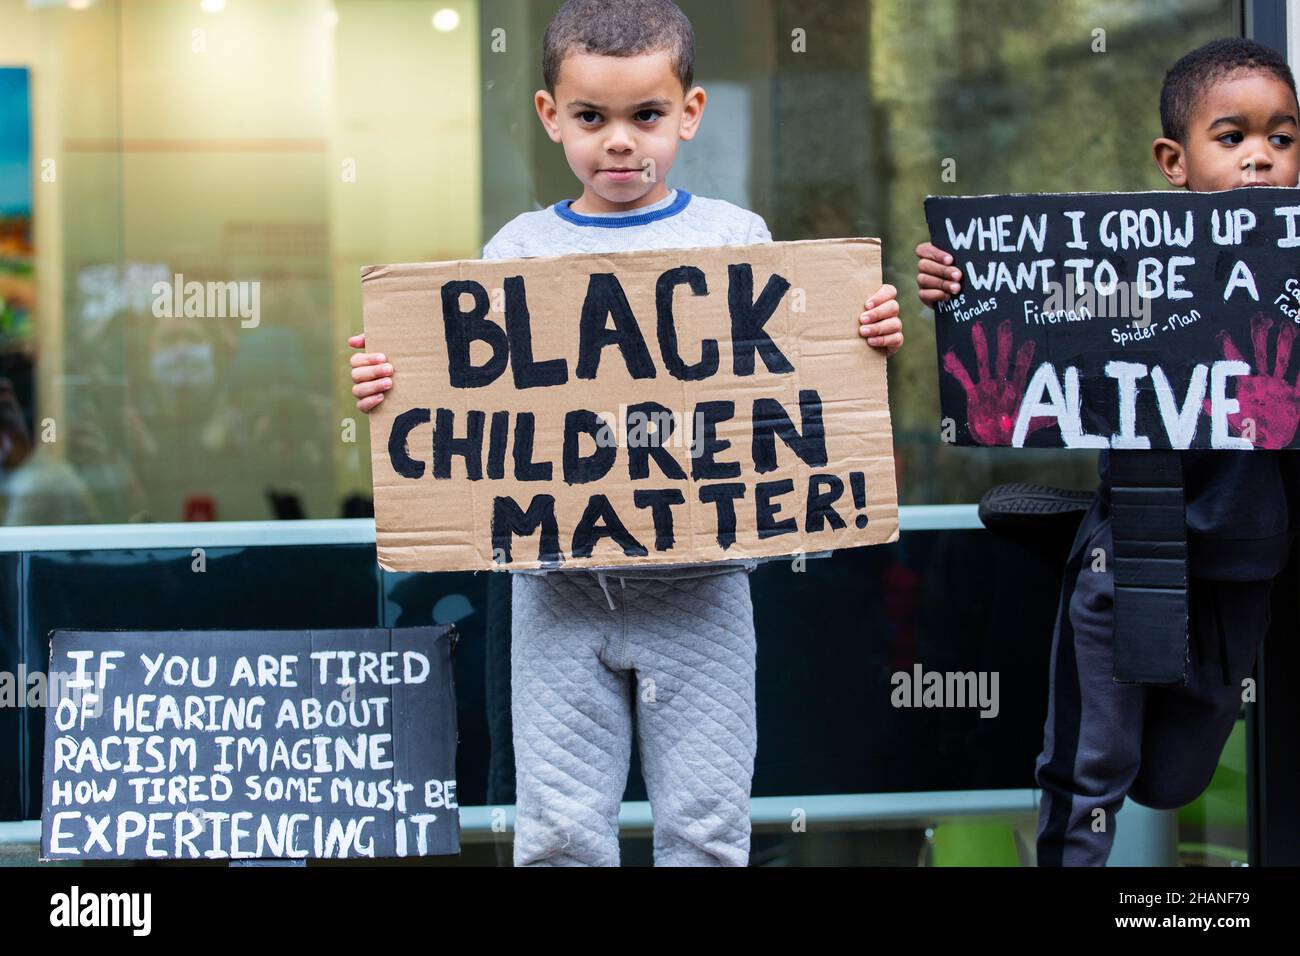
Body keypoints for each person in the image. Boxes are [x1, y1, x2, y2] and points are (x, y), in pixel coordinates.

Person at [350, 0, 903, 866]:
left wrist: (856, 337)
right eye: (591, 117)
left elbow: (802, 373)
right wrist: (395, 384)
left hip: (705, 594)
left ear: (689, 112)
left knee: (709, 828)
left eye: (645, 115)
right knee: (562, 832)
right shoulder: (515, 251)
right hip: (557, 599)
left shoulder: (736, 242)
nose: (619, 141)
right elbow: (467, 395)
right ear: (550, 118)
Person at [916, 37, 1300, 865]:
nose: (1261, 158)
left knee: (1171, 778)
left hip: (1242, 561)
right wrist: (967, 285)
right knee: (1093, 768)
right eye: (1232, 138)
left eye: (1282, 137)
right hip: (1133, 550)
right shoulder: (1125, 260)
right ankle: (1086, 532)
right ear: (1176, 159)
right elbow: (1033, 298)